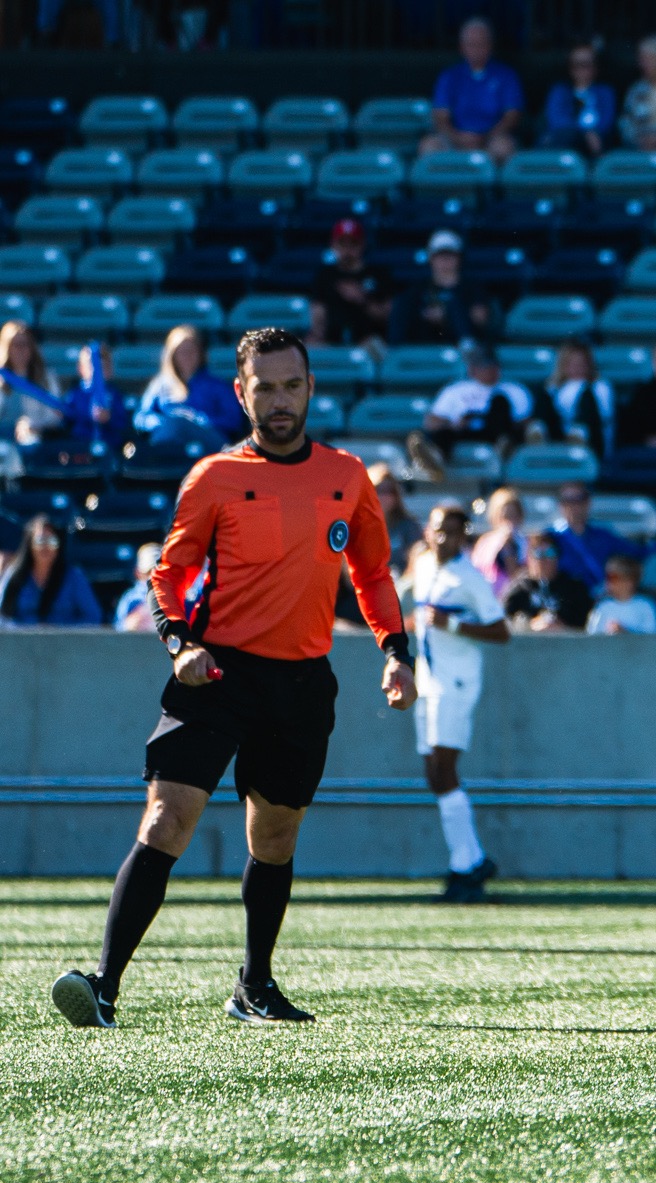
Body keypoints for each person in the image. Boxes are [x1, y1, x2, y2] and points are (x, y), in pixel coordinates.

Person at [49, 328, 415, 1031]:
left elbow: (370, 572)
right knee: (166, 819)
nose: (280, 400)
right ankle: (103, 986)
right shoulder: (213, 476)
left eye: (292, 385)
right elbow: (171, 574)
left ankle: (254, 986)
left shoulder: (347, 477)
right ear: (241, 391)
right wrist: (178, 642)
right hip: (216, 671)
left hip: (302, 682)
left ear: (311, 389)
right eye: (265, 387)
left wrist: (396, 651)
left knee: (273, 839)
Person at [407, 502, 507, 902]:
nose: (443, 538)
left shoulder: (470, 577)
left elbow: (500, 631)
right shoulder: (426, 566)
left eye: (451, 531)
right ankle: (469, 860)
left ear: (464, 535)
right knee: (434, 771)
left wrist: (454, 625)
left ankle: (468, 863)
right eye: (437, 529)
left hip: (457, 681)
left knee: (445, 767)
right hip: (427, 678)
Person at [421, 17, 523, 162]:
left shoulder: (506, 75)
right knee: (429, 146)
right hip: (456, 139)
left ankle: (491, 185)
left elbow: (512, 116)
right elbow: (440, 117)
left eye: (481, 44)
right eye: (471, 44)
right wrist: (458, 138)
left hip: (491, 139)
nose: (476, 50)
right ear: (462, 47)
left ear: (490, 46)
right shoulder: (450, 76)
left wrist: (485, 137)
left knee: (502, 147)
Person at [135, 324, 246, 452]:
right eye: (182, 352)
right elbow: (141, 417)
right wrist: (165, 422)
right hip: (170, 443)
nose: (187, 356)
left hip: (208, 443)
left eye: (192, 351)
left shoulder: (217, 386)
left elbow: (233, 421)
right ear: (172, 355)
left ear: (201, 354)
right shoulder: (159, 386)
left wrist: (199, 419)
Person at [421, 345, 531, 460]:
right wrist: (454, 424)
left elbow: (524, 422)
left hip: (496, 433)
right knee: (441, 435)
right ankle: (435, 462)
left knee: (500, 402)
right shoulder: (454, 390)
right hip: (463, 432)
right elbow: (431, 422)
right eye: (484, 366)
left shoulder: (514, 390)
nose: (490, 370)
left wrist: (489, 418)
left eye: (493, 366)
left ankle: (503, 449)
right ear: (472, 369)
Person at [387, 230, 490, 346]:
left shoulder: (472, 287)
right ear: (431, 258)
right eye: (440, 256)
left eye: (450, 255)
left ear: (459, 258)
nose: (445, 261)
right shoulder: (419, 289)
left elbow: (481, 318)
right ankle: (396, 351)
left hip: (460, 345)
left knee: (454, 305)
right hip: (426, 344)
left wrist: (447, 315)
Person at [0, 514, 102, 626]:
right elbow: (3, 617)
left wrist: (60, 633)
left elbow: (92, 617)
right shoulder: (14, 575)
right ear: (30, 544)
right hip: (21, 642)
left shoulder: (73, 577)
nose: (46, 547)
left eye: (51, 541)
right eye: (40, 541)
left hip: (66, 642)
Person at [309, 218, 394, 346]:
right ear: (333, 245)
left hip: (368, 340)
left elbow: (388, 315)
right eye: (343, 244)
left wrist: (361, 299)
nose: (348, 250)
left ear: (362, 245)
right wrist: (317, 335)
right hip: (332, 340)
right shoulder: (325, 275)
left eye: (353, 243)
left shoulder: (378, 274)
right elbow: (318, 313)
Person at [549, 483, 639, 593]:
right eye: (568, 500)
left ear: (588, 502)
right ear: (560, 505)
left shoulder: (603, 536)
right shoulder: (550, 538)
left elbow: (636, 551)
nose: (574, 505)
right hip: (565, 600)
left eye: (580, 499)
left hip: (600, 600)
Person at [504, 530, 593, 631]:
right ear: (529, 558)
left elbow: (587, 627)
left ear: (558, 557)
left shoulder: (574, 588)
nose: (544, 559)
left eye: (549, 553)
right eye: (538, 553)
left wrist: (563, 628)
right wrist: (531, 626)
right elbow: (505, 623)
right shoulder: (519, 589)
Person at [540, 40, 616, 157]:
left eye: (586, 64)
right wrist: (584, 134)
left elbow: (607, 123)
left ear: (595, 67)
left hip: (597, 146)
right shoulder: (560, 91)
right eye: (576, 64)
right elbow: (556, 121)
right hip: (566, 145)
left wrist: (592, 135)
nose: (580, 70)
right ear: (570, 68)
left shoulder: (605, 92)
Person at [541, 340, 615, 453]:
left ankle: (579, 433)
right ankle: (538, 433)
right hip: (559, 437)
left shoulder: (600, 386)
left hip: (592, 441)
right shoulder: (553, 389)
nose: (577, 368)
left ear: (589, 365)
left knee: (587, 398)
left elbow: (604, 418)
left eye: (582, 364)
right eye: (572, 364)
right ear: (563, 366)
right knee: (544, 399)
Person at [0, 320, 65, 445]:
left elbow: (55, 415)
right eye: (15, 345)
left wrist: (33, 426)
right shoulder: (1, 378)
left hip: (40, 441)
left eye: (25, 344)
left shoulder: (46, 377)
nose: (21, 350)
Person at [471, 486, 529, 596]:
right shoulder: (484, 543)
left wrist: (509, 548)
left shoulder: (526, 543)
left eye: (513, 515)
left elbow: (519, 577)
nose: (509, 521)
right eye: (504, 516)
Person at [369, 463, 425, 575]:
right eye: (379, 490)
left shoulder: (409, 526)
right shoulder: (357, 526)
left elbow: (418, 561)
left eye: (390, 491)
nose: (385, 496)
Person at [585, 555, 656, 634]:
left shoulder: (646, 606)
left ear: (629, 582)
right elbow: (592, 637)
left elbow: (652, 638)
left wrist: (625, 632)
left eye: (613, 577)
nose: (608, 581)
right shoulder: (602, 607)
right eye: (607, 576)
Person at [115, 543, 164, 630]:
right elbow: (117, 631)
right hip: (136, 642)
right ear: (138, 573)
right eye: (148, 572)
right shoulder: (131, 599)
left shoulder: (178, 598)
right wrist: (132, 623)